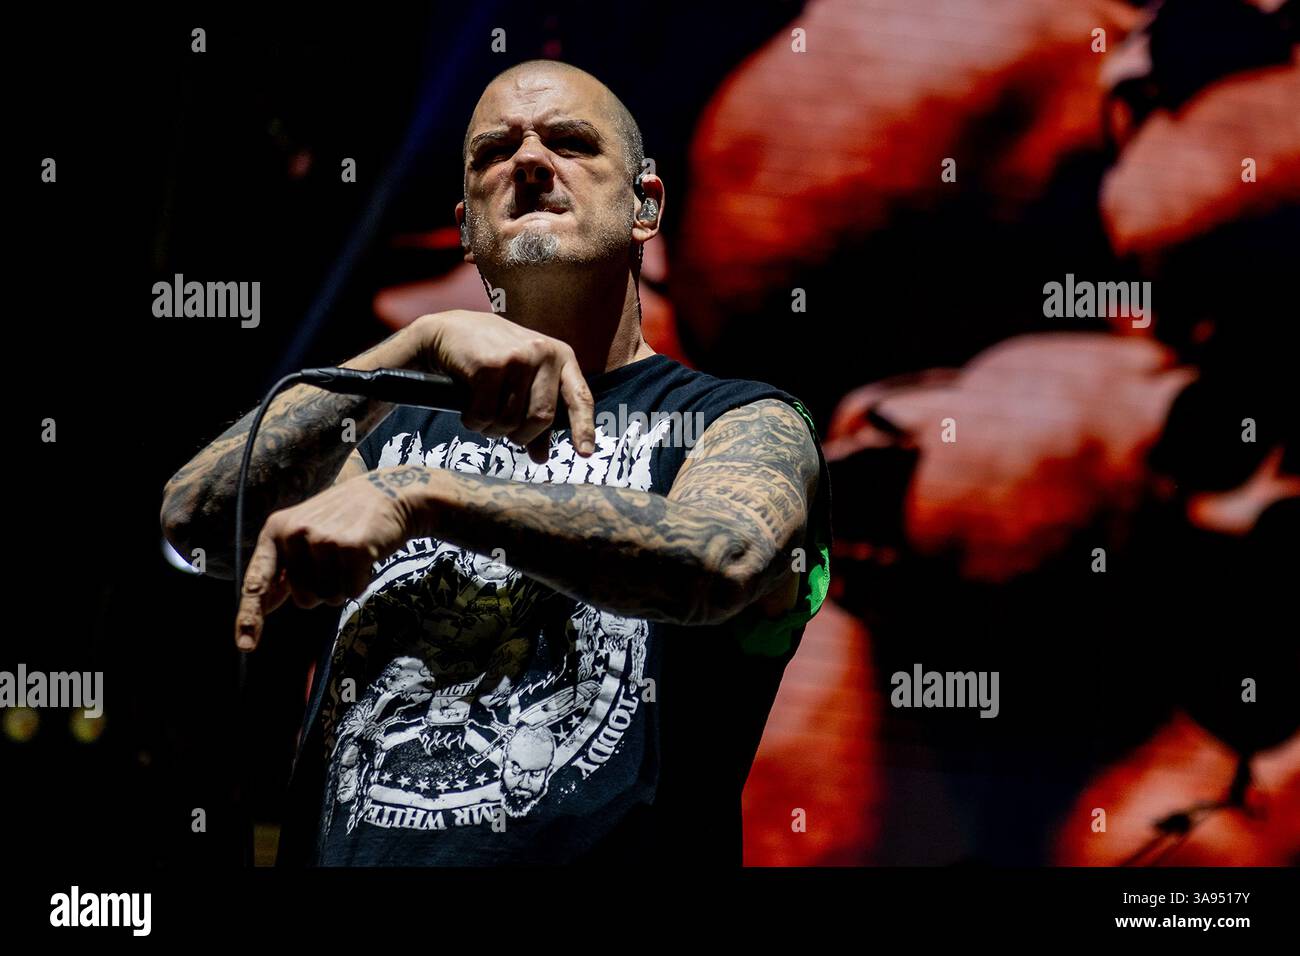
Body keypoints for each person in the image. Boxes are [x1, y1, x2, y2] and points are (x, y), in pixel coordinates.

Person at [159, 59, 832, 866]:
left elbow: (719, 557)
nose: (530, 161)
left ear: (646, 207)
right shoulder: (379, 431)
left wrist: (424, 496)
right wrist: (408, 350)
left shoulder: (738, 420)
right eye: (493, 152)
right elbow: (193, 519)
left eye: (573, 143)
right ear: (467, 225)